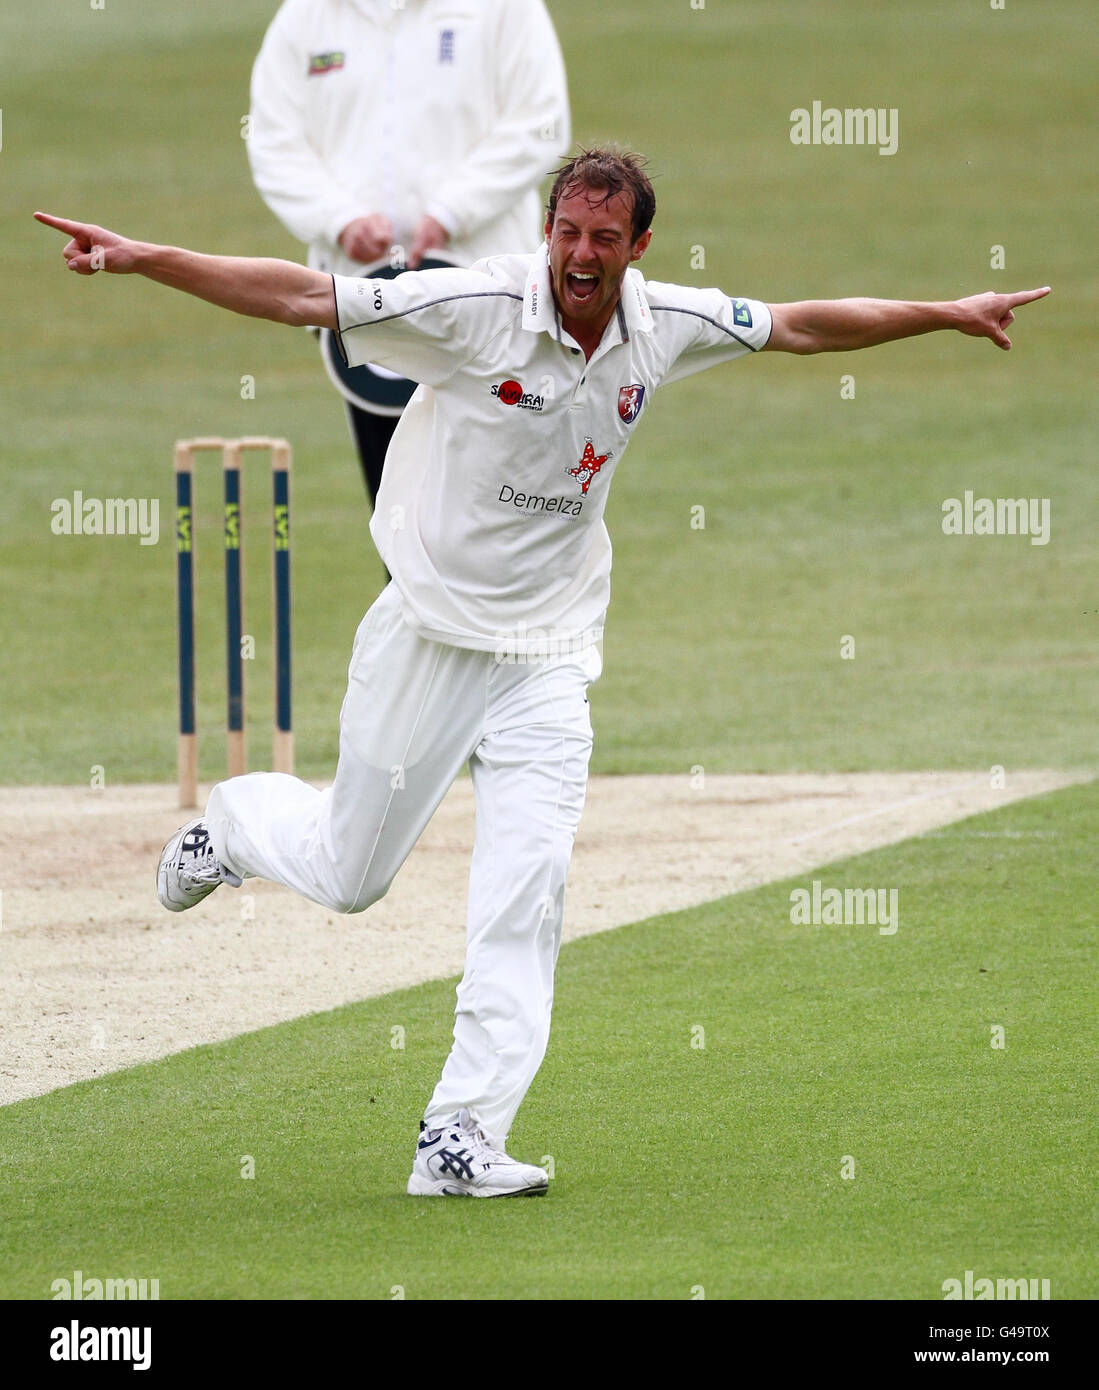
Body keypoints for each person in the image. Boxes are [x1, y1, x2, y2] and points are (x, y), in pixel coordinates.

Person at [35, 146, 1049, 1198]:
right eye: (567, 232)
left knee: (528, 891)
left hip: (550, 658)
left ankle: (459, 1134)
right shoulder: (470, 306)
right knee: (350, 877)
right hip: (428, 634)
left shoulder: (665, 325)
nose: (580, 254)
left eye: (604, 238)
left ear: (636, 247)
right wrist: (141, 256)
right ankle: (234, 827)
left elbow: (799, 324)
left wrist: (945, 309)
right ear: (547, 230)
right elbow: (302, 291)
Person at [246, 0, 570, 508]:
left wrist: (449, 213)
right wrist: (339, 220)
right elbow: (274, 141)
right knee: (395, 506)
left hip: (487, 292)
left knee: (499, 505)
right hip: (361, 293)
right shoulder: (307, 16)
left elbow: (541, 122)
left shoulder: (504, 9)